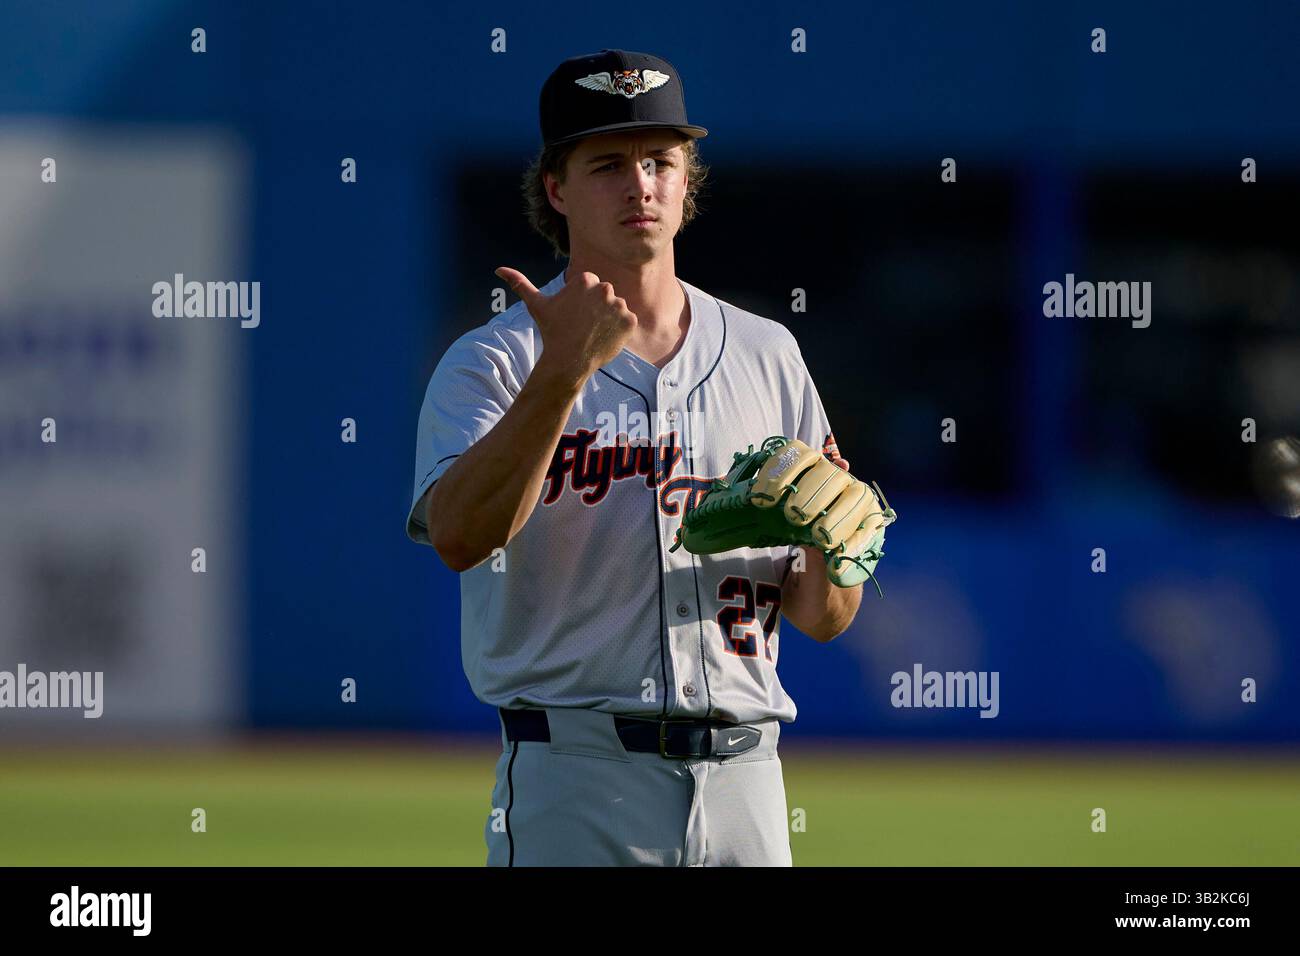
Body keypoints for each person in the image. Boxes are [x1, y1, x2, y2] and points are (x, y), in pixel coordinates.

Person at [406, 49, 865, 866]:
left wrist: (838, 553)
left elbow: (822, 617)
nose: (640, 184)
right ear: (556, 188)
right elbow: (459, 537)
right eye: (609, 163)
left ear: (689, 181)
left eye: (661, 161)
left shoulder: (768, 354)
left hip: (748, 784)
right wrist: (561, 374)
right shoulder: (494, 363)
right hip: (573, 777)